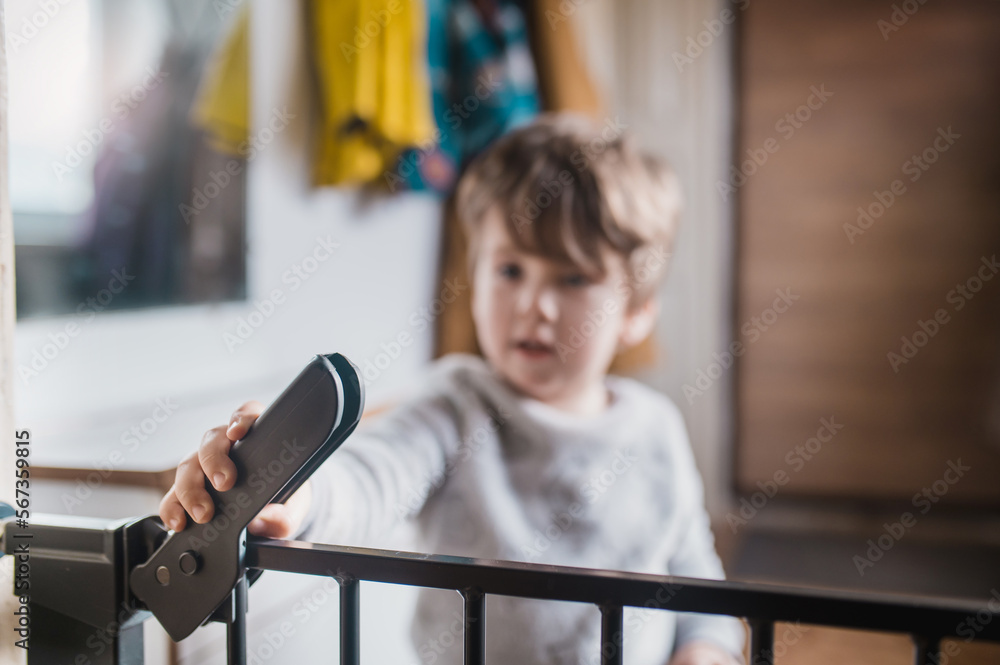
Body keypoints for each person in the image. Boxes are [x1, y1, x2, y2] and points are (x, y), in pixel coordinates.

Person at [159, 114, 745, 665]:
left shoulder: (656, 428)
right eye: (510, 270)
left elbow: (696, 584)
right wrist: (289, 482)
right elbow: (371, 479)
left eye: (572, 278)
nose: (533, 306)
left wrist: (705, 650)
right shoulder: (455, 404)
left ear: (637, 310)